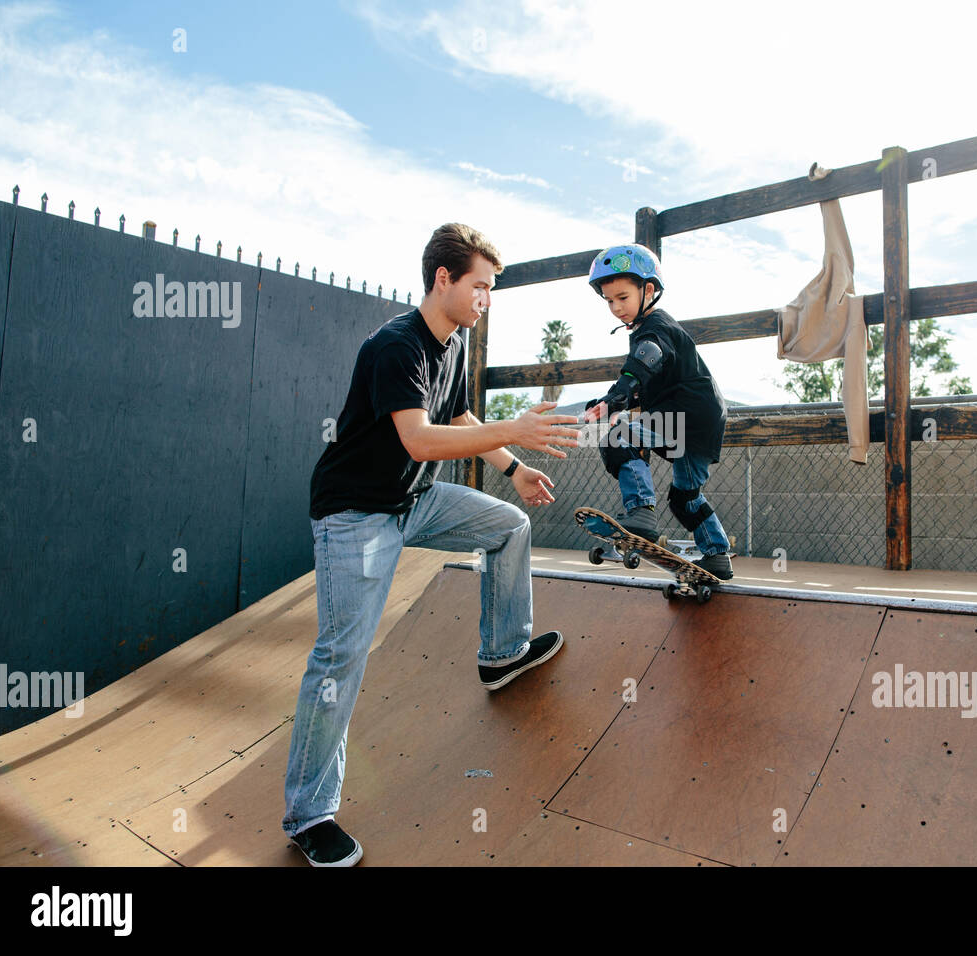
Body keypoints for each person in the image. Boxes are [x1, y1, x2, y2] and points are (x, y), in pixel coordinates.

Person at [283, 223, 581, 867]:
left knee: (509, 525)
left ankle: (502, 652)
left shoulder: (451, 347)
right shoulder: (396, 346)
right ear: (443, 279)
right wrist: (520, 429)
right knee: (341, 657)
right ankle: (310, 815)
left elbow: (461, 420)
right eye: (480, 286)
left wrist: (512, 469)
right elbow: (420, 438)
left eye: (492, 289)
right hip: (356, 517)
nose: (487, 300)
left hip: (414, 502)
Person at [580, 244, 733, 580]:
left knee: (620, 437)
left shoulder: (657, 326)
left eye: (622, 297)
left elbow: (646, 358)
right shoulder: (652, 331)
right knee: (685, 497)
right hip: (703, 424)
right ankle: (717, 554)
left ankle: (640, 512)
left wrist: (614, 399)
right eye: (608, 300)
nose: (616, 308)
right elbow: (641, 383)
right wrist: (611, 400)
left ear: (648, 290)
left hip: (685, 416)